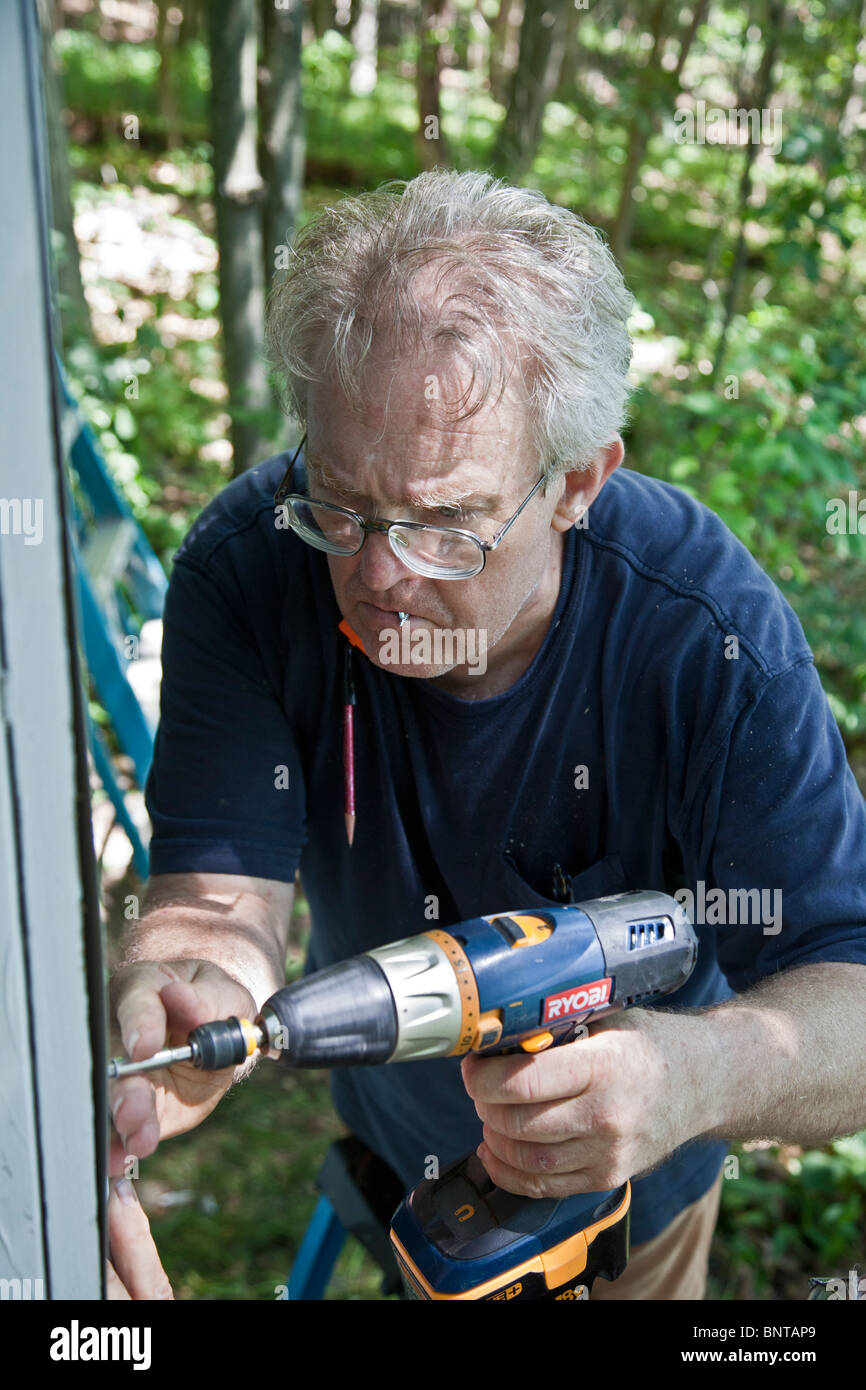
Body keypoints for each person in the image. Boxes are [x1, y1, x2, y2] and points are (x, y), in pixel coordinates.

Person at [108, 169, 866, 1300]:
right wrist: (188, 981)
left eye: (443, 523)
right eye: (342, 503)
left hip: (631, 1194)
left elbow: (850, 995)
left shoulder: (706, 638)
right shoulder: (252, 566)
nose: (374, 579)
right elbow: (218, 896)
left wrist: (689, 1076)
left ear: (575, 484)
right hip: (406, 1171)